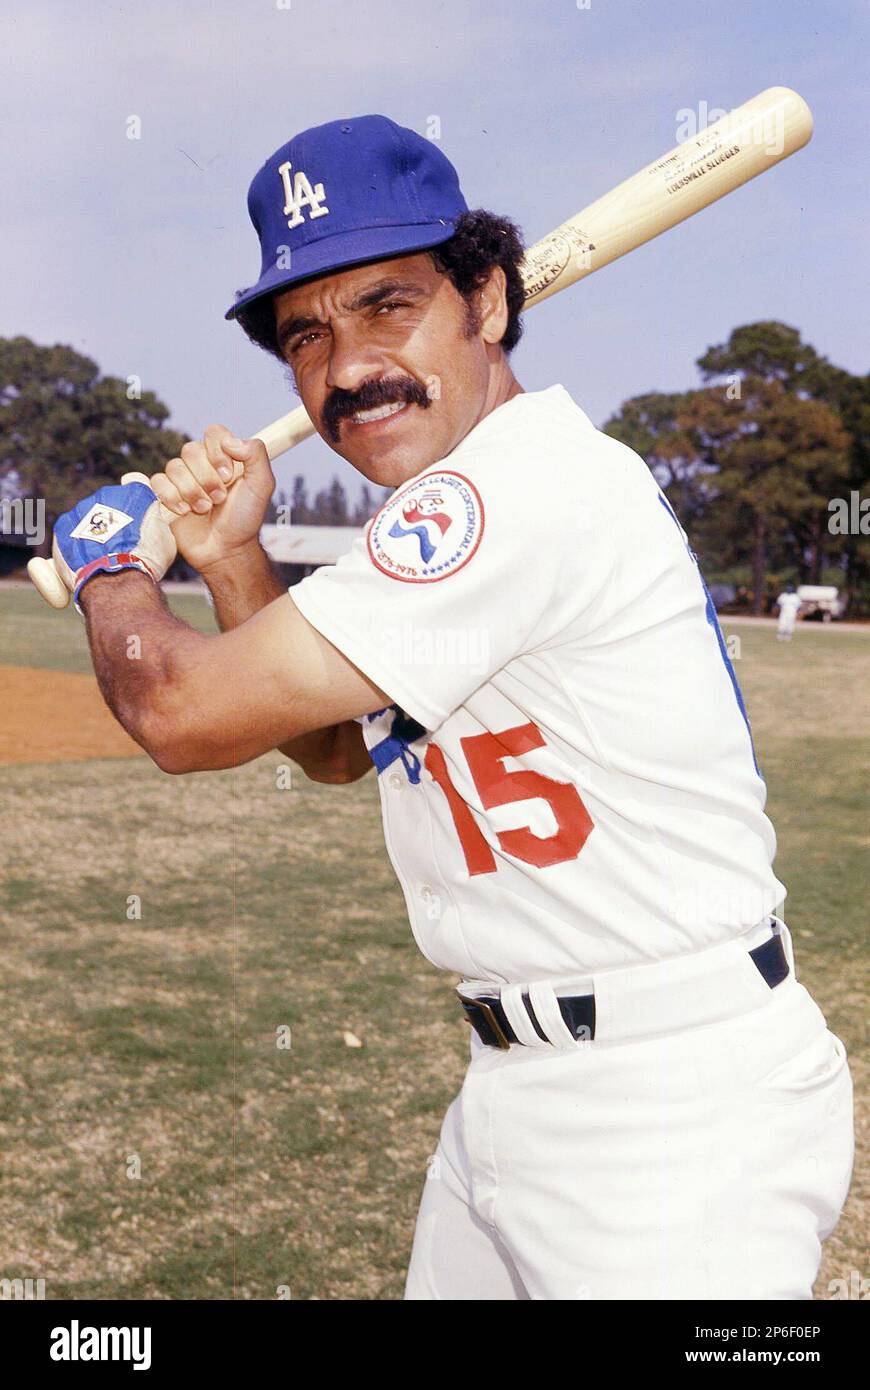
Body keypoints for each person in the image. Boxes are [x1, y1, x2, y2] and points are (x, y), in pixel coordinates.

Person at [49, 116, 853, 1300]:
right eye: (307, 336)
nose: (347, 365)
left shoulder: (514, 493)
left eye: (388, 307)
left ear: (486, 298)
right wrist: (228, 558)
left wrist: (112, 566)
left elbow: (177, 713)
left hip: (675, 1116)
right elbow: (334, 750)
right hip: (514, 1090)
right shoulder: (459, 505)